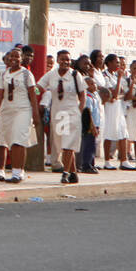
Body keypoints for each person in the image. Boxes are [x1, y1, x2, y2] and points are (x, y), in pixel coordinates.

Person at [0, 47, 40, 183]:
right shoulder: (2, 74)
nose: (13, 59)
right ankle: (2, 171)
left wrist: (35, 113)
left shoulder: (26, 74)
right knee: (5, 141)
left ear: (21, 58)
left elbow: (32, 95)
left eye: (16, 57)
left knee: (19, 140)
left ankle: (18, 172)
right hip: (7, 111)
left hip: (22, 110)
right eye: (11, 56)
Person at [39, 49, 86, 184]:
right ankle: (73, 173)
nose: (65, 62)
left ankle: (65, 173)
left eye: (68, 60)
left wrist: (80, 110)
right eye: (63, 59)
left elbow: (82, 95)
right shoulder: (51, 75)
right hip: (58, 114)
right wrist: (31, 91)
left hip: (72, 113)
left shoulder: (75, 75)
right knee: (62, 144)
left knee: (68, 144)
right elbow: (39, 86)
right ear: (58, 60)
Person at [97, 53, 126, 169]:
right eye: (116, 62)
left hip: (118, 106)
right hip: (109, 108)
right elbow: (112, 93)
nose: (118, 65)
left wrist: (116, 95)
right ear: (109, 63)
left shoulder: (115, 75)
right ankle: (107, 160)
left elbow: (122, 93)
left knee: (123, 132)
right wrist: (119, 80)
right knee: (109, 133)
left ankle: (124, 160)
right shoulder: (105, 76)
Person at [75, 55, 102, 174]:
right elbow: (88, 113)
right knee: (87, 146)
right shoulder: (88, 98)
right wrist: (92, 127)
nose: (95, 86)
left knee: (92, 146)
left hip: (95, 125)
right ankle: (85, 165)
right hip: (89, 127)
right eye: (92, 84)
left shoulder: (94, 96)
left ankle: (91, 163)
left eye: (95, 83)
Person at [119, 59, 136, 170]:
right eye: (134, 68)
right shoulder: (126, 80)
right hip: (129, 110)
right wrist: (132, 84)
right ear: (130, 69)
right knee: (127, 136)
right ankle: (124, 160)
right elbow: (127, 96)